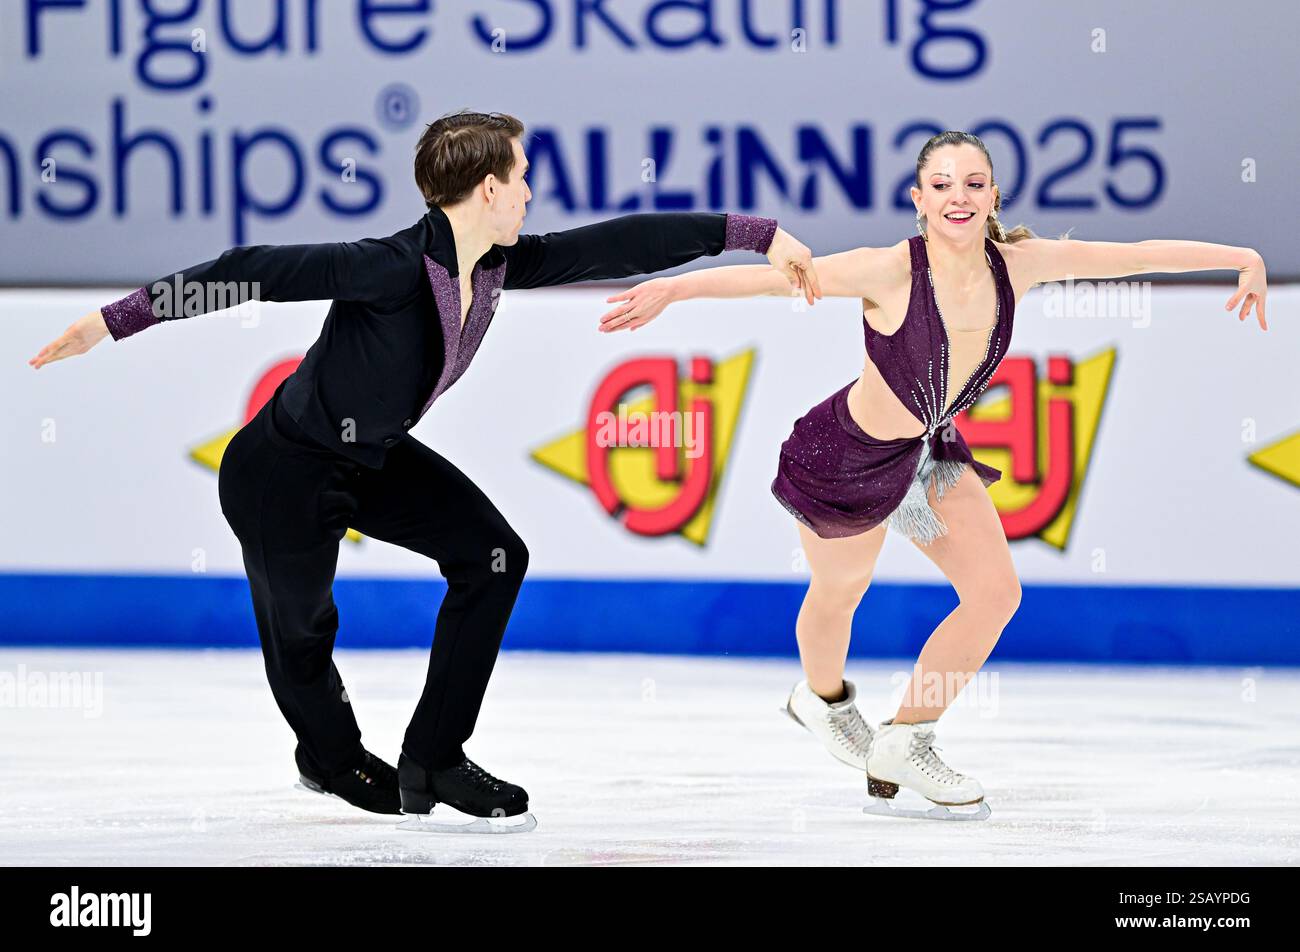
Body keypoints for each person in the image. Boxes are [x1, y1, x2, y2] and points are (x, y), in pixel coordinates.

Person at [27, 109, 822, 834]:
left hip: (368, 458)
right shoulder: (389, 266)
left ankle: (435, 757)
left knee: (493, 557)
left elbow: (617, 243)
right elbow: (252, 268)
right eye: (522, 176)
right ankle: (330, 757)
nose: (532, 191)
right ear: (488, 188)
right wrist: (112, 321)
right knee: (305, 635)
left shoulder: (501, 264)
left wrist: (757, 233)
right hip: (284, 471)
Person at [596, 130, 1269, 821]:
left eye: (974, 184)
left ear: (993, 196)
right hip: (846, 459)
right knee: (840, 590)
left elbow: (1134, 256)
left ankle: (906, 738)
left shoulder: (1021, 264)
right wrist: (675, 290)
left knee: (995, 593)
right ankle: (821, 702)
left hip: (931, 454)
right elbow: (776, 280)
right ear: (919, 199)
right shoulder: (889, 269)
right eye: (942, 184)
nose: (959, 197)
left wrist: (1242, 256)